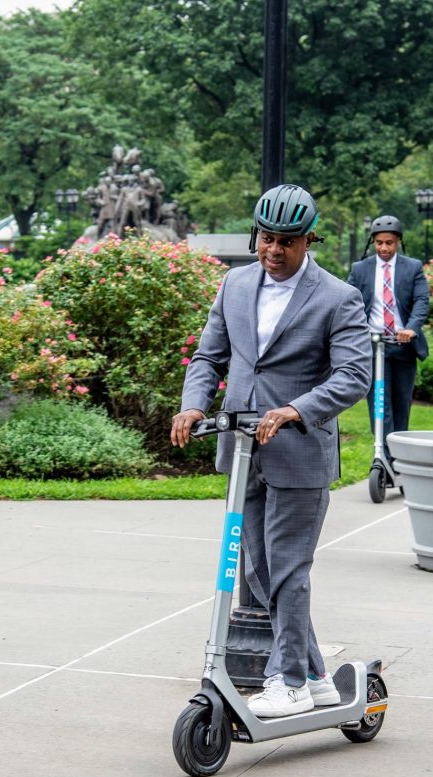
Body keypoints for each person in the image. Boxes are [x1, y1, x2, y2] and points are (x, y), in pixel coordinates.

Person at [171, 184, 371, 718]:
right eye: (266, 239)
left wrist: (296, 410)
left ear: (308, 240)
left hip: (298, 452)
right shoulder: (235, 284)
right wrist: (193, 405)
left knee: (287, 568)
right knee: (259, 572)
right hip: (242, 450)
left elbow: (354, 375)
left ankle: (289, 681)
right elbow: (208, 357)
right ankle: (316, 677)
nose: (274, 251)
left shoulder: (337, 297)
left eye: (286, 242)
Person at [346, 215, 429, 464]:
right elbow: (349, 302)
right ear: (373, 242)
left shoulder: (412, 267)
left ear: (398, 242)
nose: (384, 248)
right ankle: (383, 456)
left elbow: (421, 300)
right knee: (380, 404)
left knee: (401, 404)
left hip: (403, 345)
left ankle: (400, 457)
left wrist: (411, 328)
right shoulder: (360, 269)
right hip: (374, 346)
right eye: (379, 242)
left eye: (389, 243)